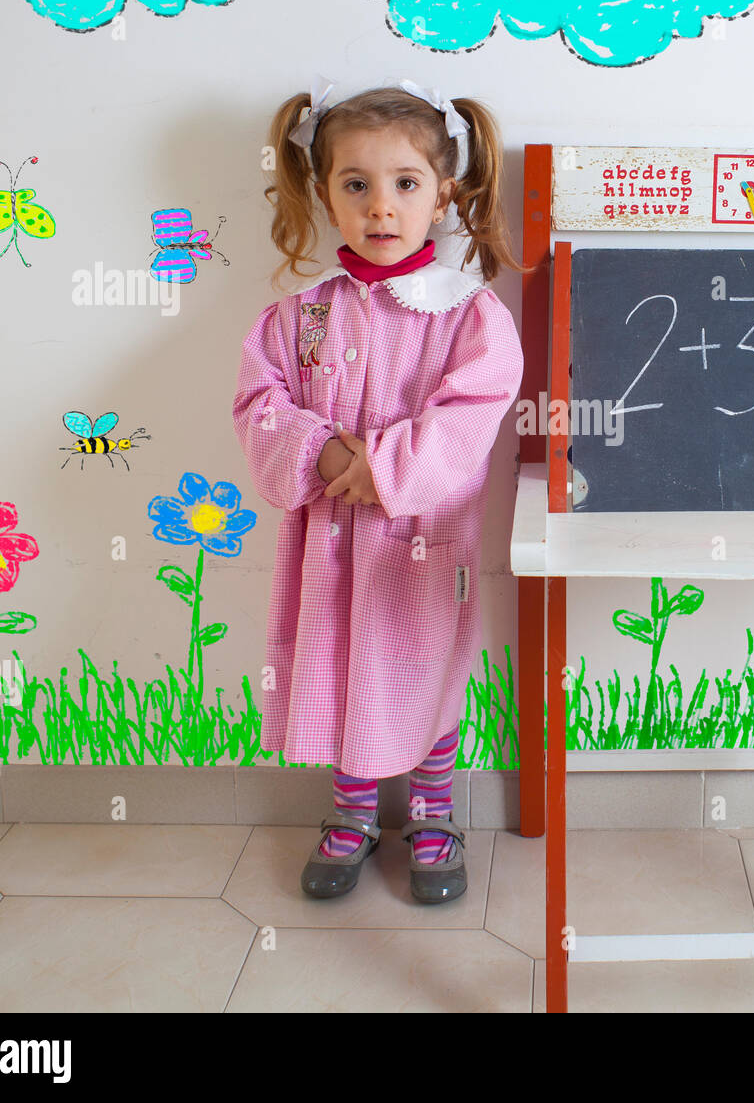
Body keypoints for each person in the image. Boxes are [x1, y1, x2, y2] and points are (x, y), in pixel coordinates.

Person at [233, 77, 529, 904]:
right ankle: (352, 811)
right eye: (355, 184)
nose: (381, 207)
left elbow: (473, 409)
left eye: (405, 184)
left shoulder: (468, 314)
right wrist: (326, 455)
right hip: (327, 542)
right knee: (335, 663)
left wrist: (387, 470)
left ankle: (435, 810)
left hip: (424, 543)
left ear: (445, 193)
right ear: (323, 194)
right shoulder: (304, 313)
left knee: (425, 665)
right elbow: (261, 401)